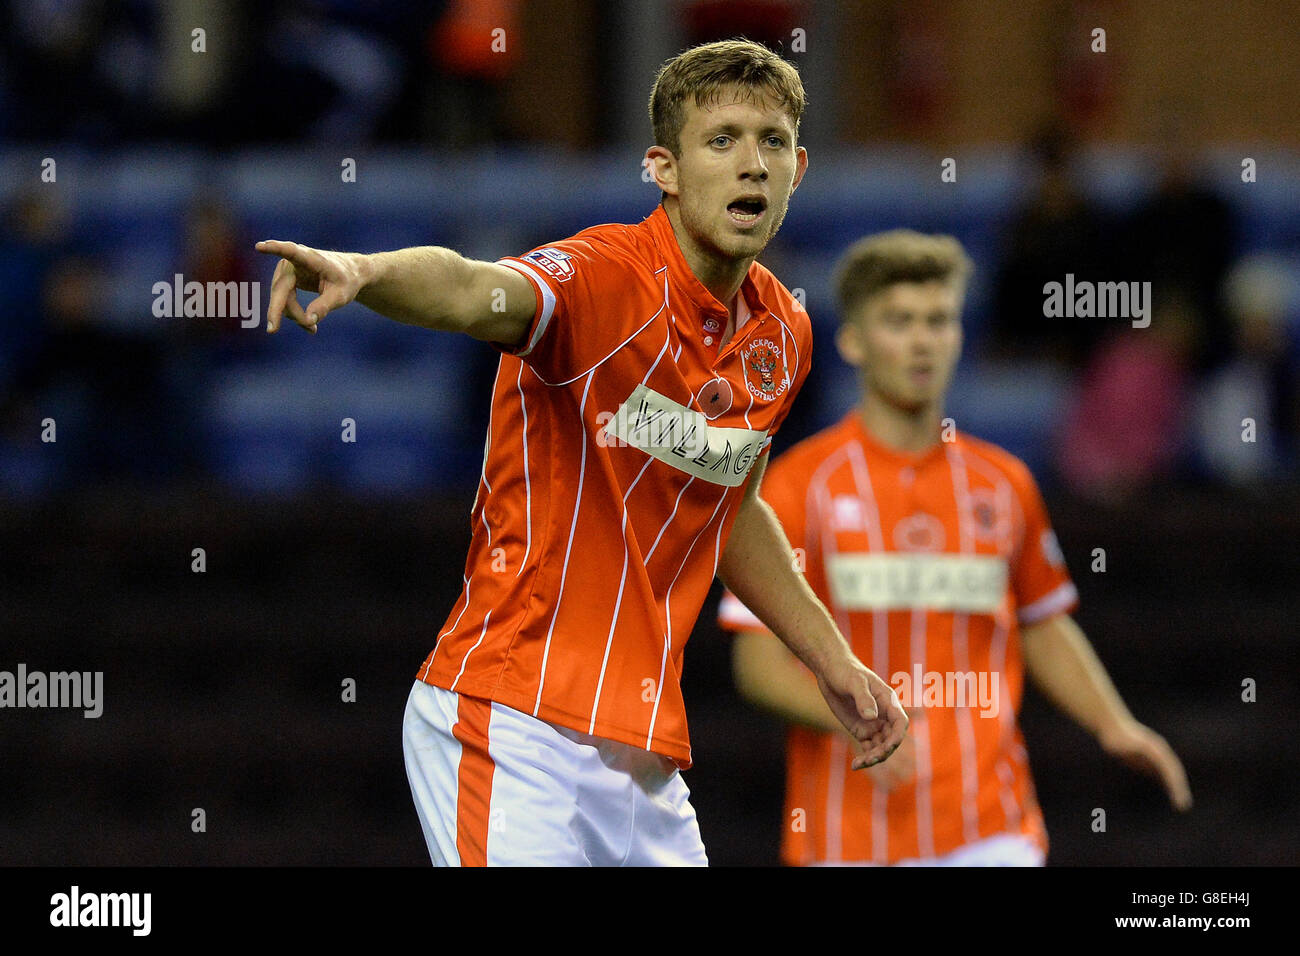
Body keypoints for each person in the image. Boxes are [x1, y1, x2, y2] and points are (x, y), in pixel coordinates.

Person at [254, 39, 907, 867]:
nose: (752, 164)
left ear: (800, 168)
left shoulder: (784, 332)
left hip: (641, 759)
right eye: (722, 141)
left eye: (771, 142)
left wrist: (832, 661)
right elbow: (470, 288)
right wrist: (363, 268)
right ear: (663, 169)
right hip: (511, 721)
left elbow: (728, 508)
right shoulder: (601, 281)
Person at [718, 230, 1191, 866]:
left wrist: (1114, 724)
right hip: (846, 838)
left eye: (938, 320)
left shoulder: (1005, 483)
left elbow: (1041, 624)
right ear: (852, 340)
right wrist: (854, 719)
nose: (921, 340)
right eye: (899, 321)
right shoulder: (798, 487)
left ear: (959, 336)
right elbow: (756, 662)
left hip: (993, 831)